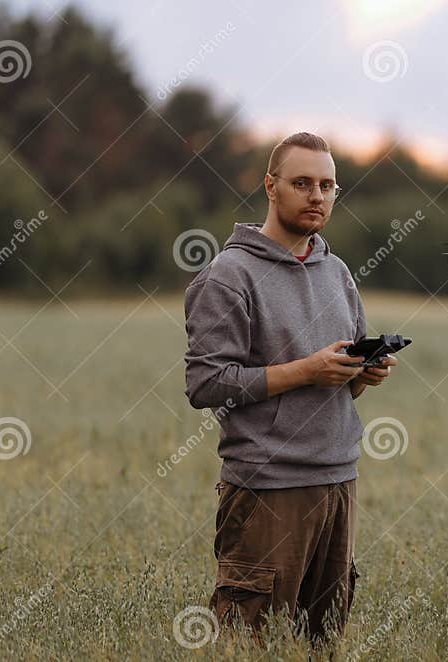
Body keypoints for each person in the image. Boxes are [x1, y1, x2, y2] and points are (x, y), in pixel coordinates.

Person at [182, 131, 397, 648]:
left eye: (327, 185)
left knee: (324, 645)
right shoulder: (228, 276)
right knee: (251, 643)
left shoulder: (337, 272)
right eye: (301, 183)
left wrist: (360, 375)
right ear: (271, 186)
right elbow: (206, 383)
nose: (316, 195)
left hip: (338, 479)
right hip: (267, 489)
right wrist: (307, 370)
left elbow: (334, 384)